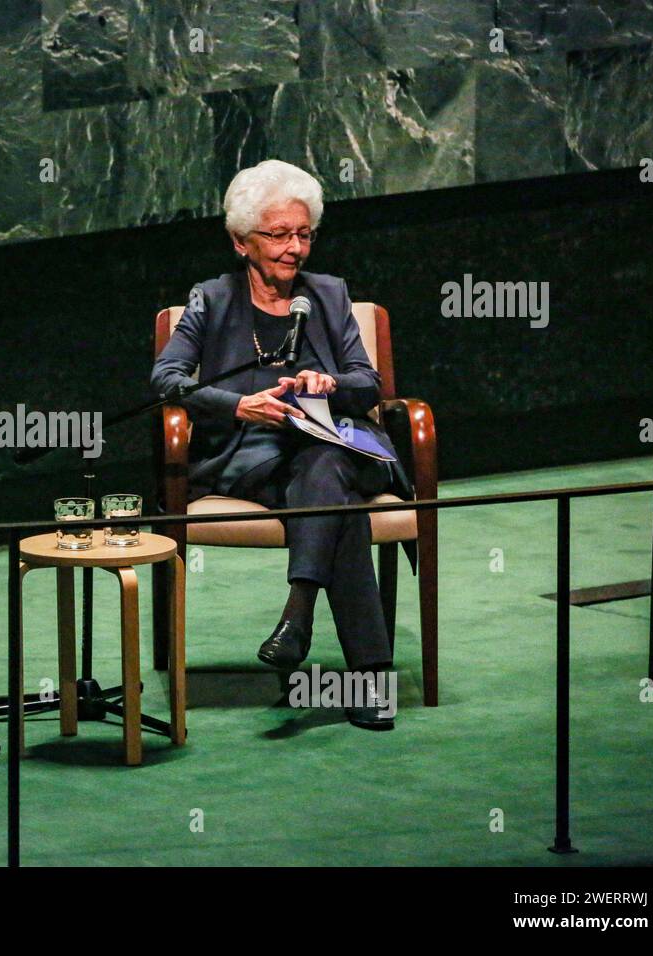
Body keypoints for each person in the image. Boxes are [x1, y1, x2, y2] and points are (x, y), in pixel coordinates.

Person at [151, 160, 415, 730]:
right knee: (334, 502)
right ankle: (369, 678)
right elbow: (167, 377)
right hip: (251, 456)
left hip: (338, 446)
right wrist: (237, 404)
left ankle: (298, 613)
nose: (294, 248)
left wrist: (331, 384)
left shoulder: (328, 294)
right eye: (277, 235)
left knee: (323, 463)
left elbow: (368, 383)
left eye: (303, 234)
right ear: (240, 241)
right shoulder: (211, 299)